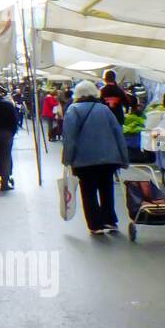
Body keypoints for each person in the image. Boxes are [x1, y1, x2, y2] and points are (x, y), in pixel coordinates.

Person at [61, 80, 130, 234]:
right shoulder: (105, 110)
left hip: (84, 160)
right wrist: (124, 158)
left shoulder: (73, 110)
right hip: (109, 159)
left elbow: (69, 138)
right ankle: (110, 220)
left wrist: (67, 159)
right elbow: (118, 134)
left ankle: (95, 224)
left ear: (77, 94)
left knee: (88, 191)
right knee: (107, 189)